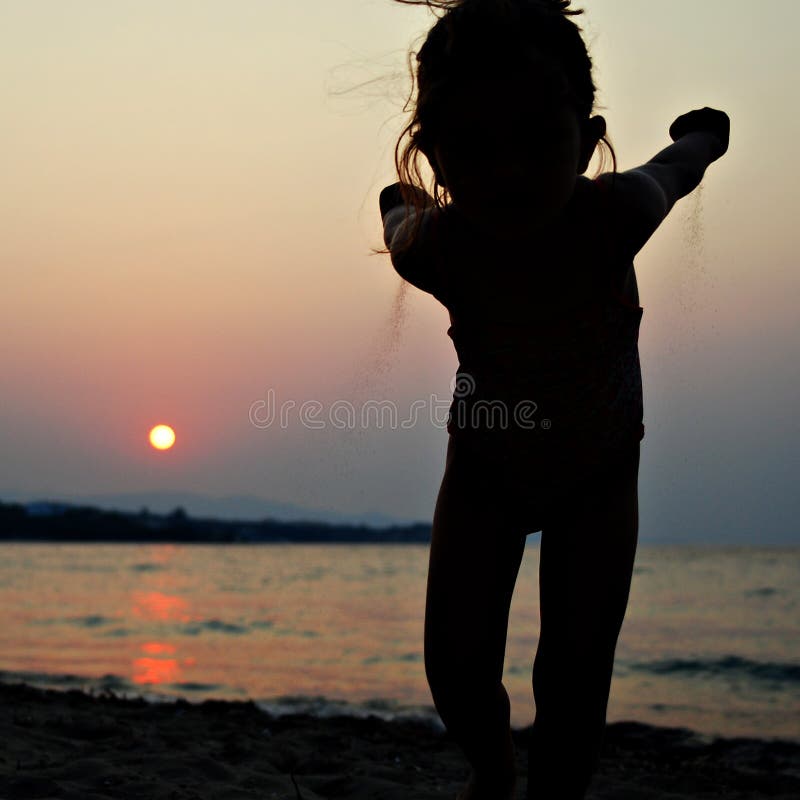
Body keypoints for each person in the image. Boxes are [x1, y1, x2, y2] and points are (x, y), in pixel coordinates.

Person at [378, 1, 730, 798]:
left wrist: (704, 136)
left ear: (588, 140)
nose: (509, 171)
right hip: (484, 471)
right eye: (475, 147)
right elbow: (401, 226)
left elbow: (674, 171)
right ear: (436, 156)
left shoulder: (614, 215)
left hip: (598, 477)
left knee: (575, 672)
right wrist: (400, 206)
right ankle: (494, 766)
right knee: (455, 667)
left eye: (538, 139)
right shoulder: (442, 247)